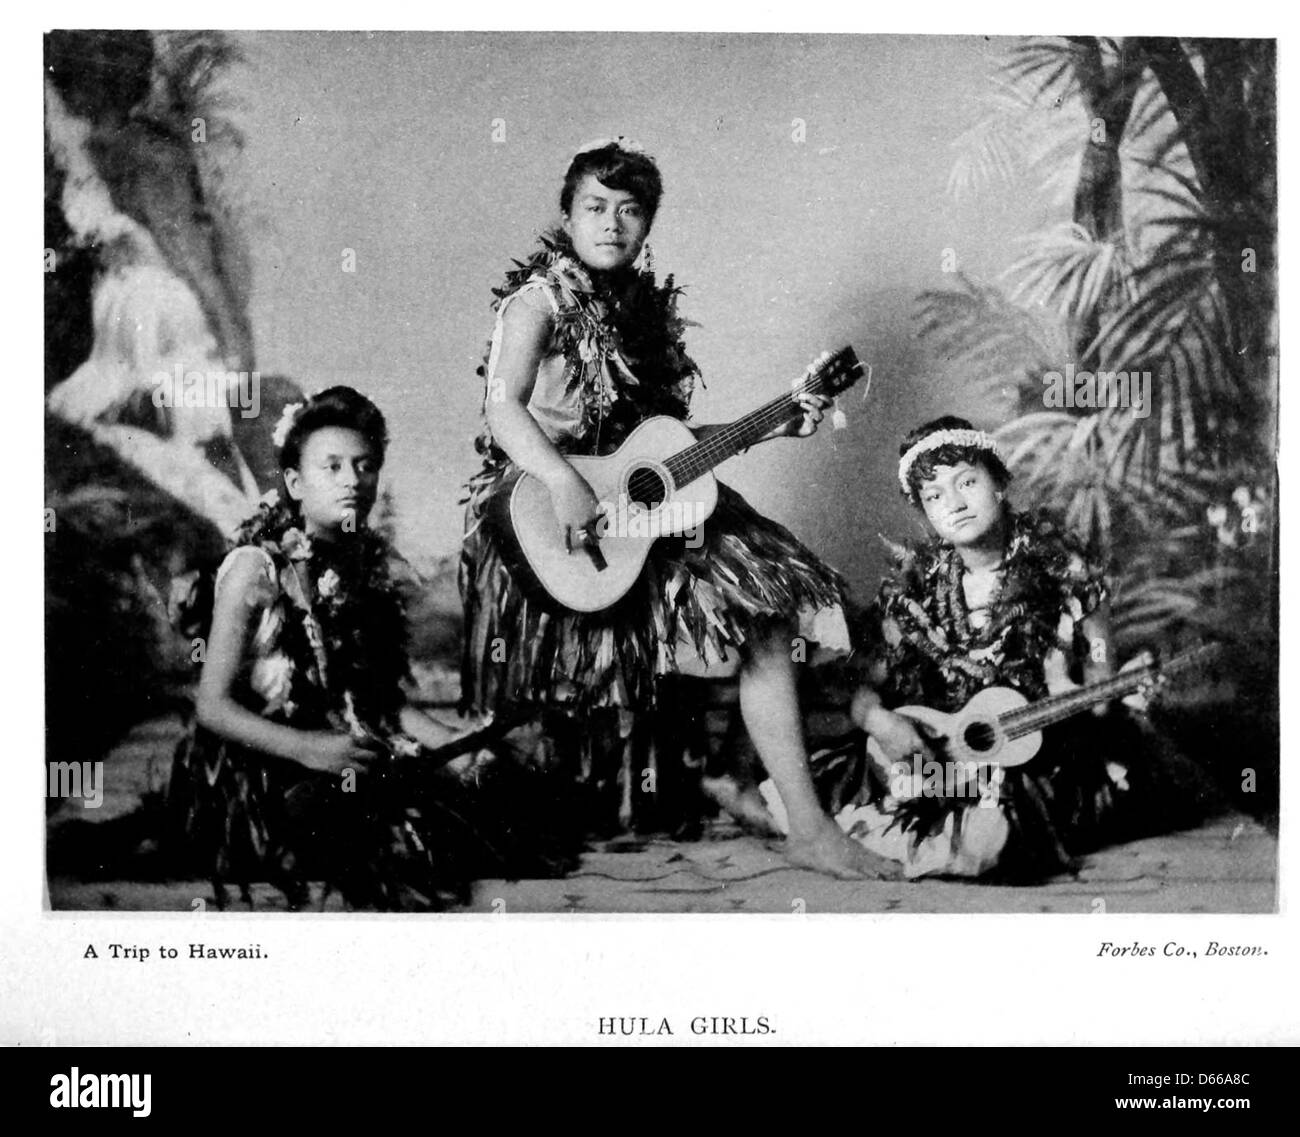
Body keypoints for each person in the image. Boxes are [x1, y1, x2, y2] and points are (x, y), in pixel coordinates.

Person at [459, 137, 890, 879]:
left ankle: (798, 817)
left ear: (648, 226)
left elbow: (666, 446)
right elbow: (502, 410)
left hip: (636, 499)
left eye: (631, 212)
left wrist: (774, 421)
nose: (612, 225)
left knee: (769, 598)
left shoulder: (646, 314)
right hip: (549, 506)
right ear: (566, 214)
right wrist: (562, 479)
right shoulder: (535, 302)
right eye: (595, 207)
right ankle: (727, 782)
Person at [171, 387, 578, 909]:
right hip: (269, 761)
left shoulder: (356, 571)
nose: (352, 481)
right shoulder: (255, 567)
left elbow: (377, 703)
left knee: (492, 780)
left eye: (365, 466)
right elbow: (212, 708)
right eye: (333, 466)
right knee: (368, 819)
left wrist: (456, 745)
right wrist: (308, 748)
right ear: (295, 483)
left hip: (346, 752)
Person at [798, 415, 1213, 879]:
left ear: (999, 482)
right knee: (819, 788)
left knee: (1000, 831)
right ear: (925, 512)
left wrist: (1109, 692)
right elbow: (856, 684)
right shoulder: (913, 590)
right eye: (934, 496)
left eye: (967, 482)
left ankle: (960, 840)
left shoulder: (1067, 571)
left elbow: (1098, 683)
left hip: (1039, 755)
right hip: (945, 754)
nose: (953, 504)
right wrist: (880, 720)